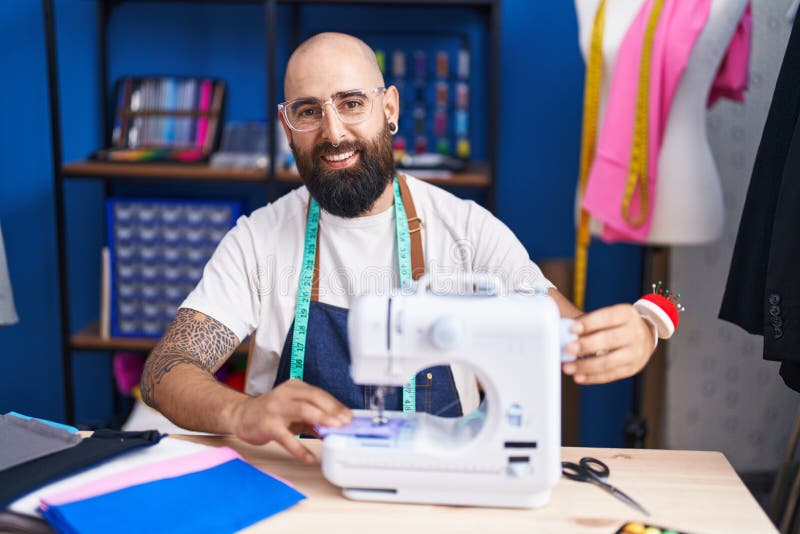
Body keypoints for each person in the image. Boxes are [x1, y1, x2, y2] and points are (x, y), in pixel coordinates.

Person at [141, 32, 656, 464]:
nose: (334, 132)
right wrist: (241, 413)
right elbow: (166, 369)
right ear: (287, 129)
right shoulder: (259, 240)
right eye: (308, 112)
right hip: (296, 482)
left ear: (389, 108)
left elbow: (574, 338)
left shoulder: (466, 231)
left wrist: (655, 317)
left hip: (442, 484)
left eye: (351, 103)